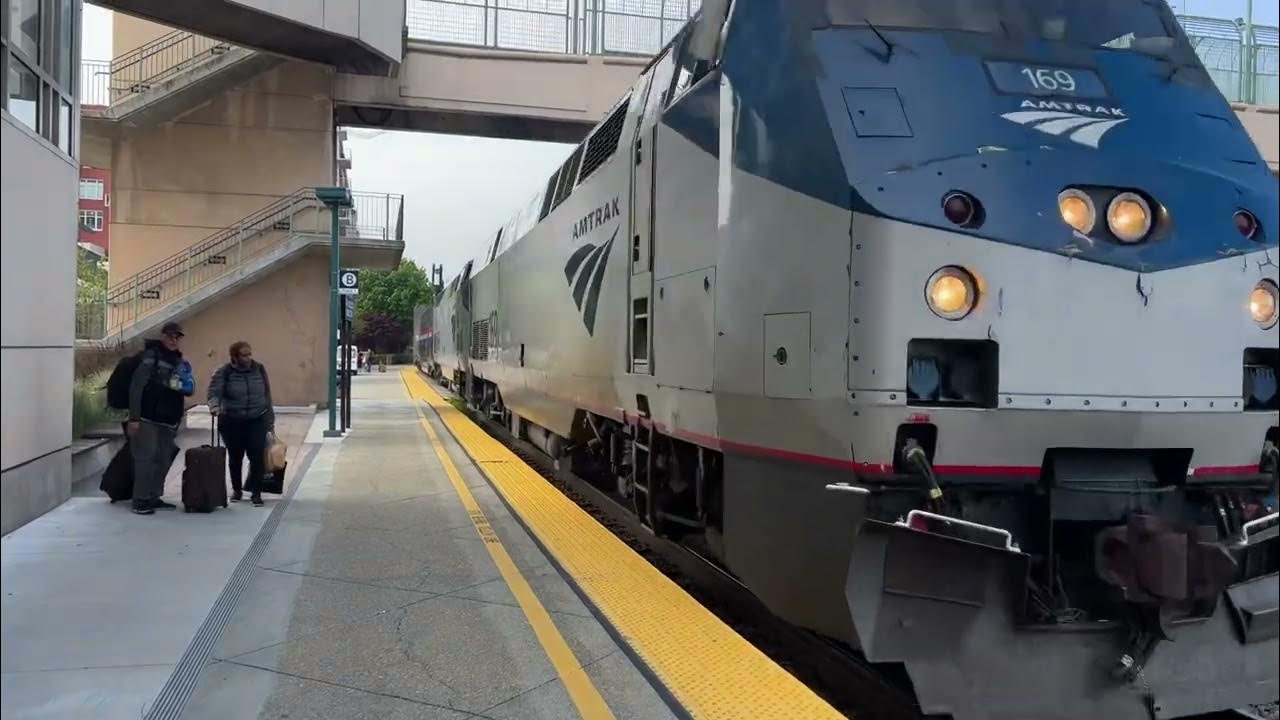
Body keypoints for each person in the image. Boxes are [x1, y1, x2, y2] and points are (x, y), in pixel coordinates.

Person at [127, 321, 194, 515]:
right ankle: (140, 500)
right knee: (145, 459)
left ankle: (154, 496)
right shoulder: (150, 357)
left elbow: (183, 387)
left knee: (163, 459)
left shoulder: (178, 361)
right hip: (148, 418)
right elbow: (136, 387)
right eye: (170, 336)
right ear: (163, 336)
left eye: (177, 337)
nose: (174, 340)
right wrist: (134, 418)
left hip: (169, 419)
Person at [208, 341, 275, 506]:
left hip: (256, 418)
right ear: (235, 357)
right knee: (235, 456)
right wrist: (215, 407)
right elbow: (214, 392)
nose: (248, 358)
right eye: (244, 355)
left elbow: (267, 394)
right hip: (232, 419)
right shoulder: (224, 372)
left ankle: (256, 492)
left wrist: (270, 419)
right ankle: (237, 489)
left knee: (257, 455)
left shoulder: (259, 369)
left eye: (249, 354)